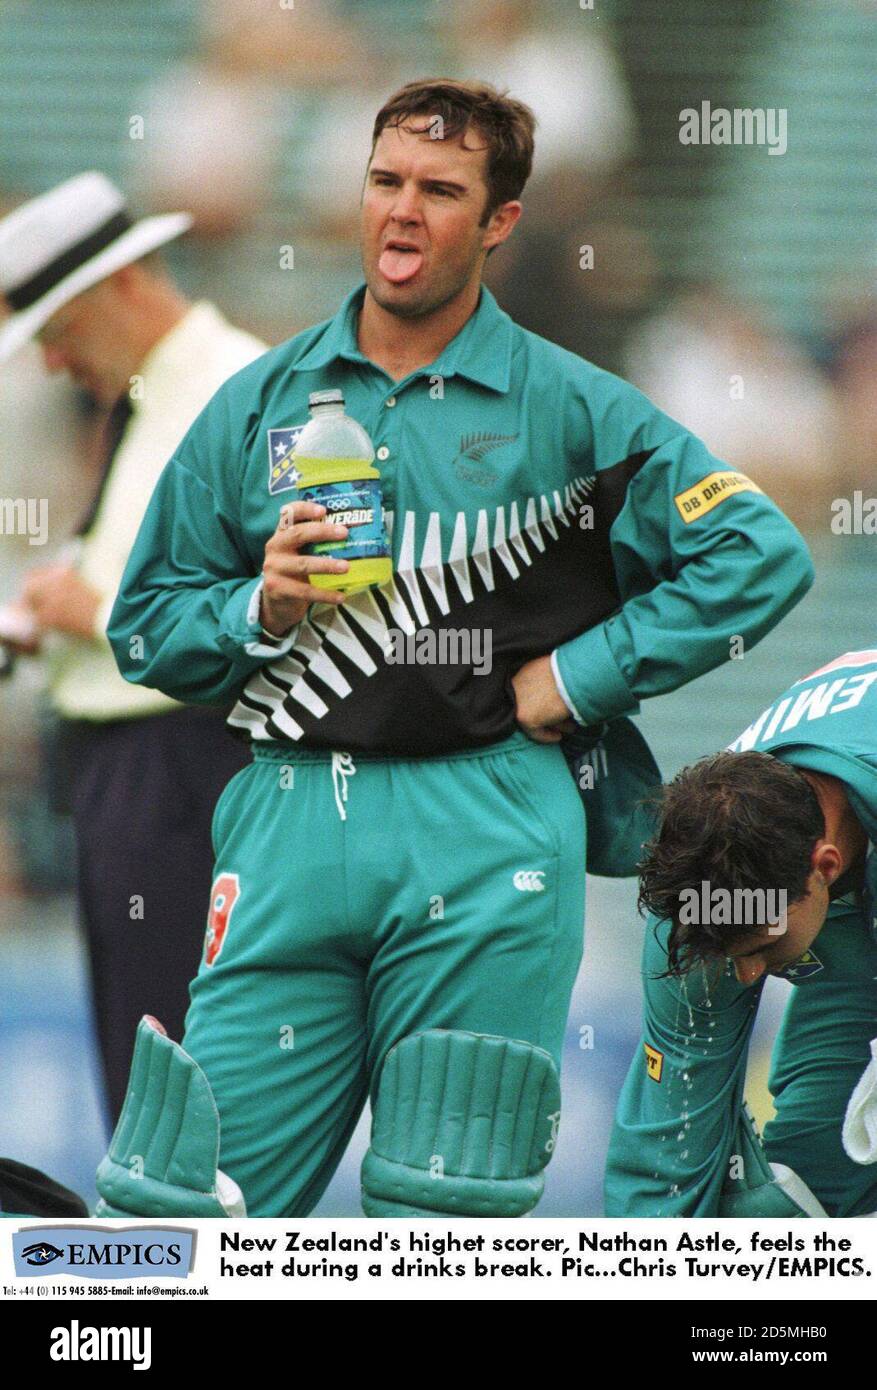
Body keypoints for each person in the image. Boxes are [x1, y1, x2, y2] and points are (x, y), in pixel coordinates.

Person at [97, 79, 813, 1221]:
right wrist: (259, 612)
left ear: (498, 223)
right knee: (175, 1202)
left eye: (440, 191)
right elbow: (144, 624)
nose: (403, 211)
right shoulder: (256, 402)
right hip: (286, 818)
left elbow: (758, 554)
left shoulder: (573, 408)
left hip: (487, 830)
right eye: (386, 181)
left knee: (445, 1213)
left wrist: (578, 676)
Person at [0, 172, 266, 1120]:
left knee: (174, 1081)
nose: (51, 361)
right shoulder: (162, 398)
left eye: (58, 329)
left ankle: (191, 1265)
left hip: (189, 762)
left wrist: (91, 614)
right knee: (145, 1071)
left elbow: (281, 608)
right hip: (141, 768)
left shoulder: (231, 389)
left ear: (118, 286)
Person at [606, 648, 877, 1218]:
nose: (748, 974)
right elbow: (663, 1157)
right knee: (810, 1190)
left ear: (825, 866)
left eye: (761, 947)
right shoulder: (698, 897)